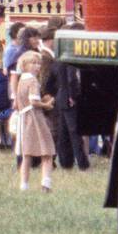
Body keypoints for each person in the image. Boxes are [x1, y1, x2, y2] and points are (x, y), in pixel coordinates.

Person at [12, 49, 56, 192]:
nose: (37, 66)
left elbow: (23, 101)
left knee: (27, 154)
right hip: (35, 119)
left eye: (38, 63)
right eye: (33, 63)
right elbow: (34, 102)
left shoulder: (21, 80)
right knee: (47, 152)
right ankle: (46, 184)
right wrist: (47, 104)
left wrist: (40, 100)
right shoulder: (33, 81)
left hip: (24, 119)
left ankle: (24, 185)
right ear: (24, 65)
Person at [52, 21, 90, 171]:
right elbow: (72, 77)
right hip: (70, 98)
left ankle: (66, 161)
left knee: (64, 132)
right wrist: (73, 95)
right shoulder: (72, 52)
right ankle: (82, 164)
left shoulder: (61, 52)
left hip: (62, 96)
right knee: (75, 132)